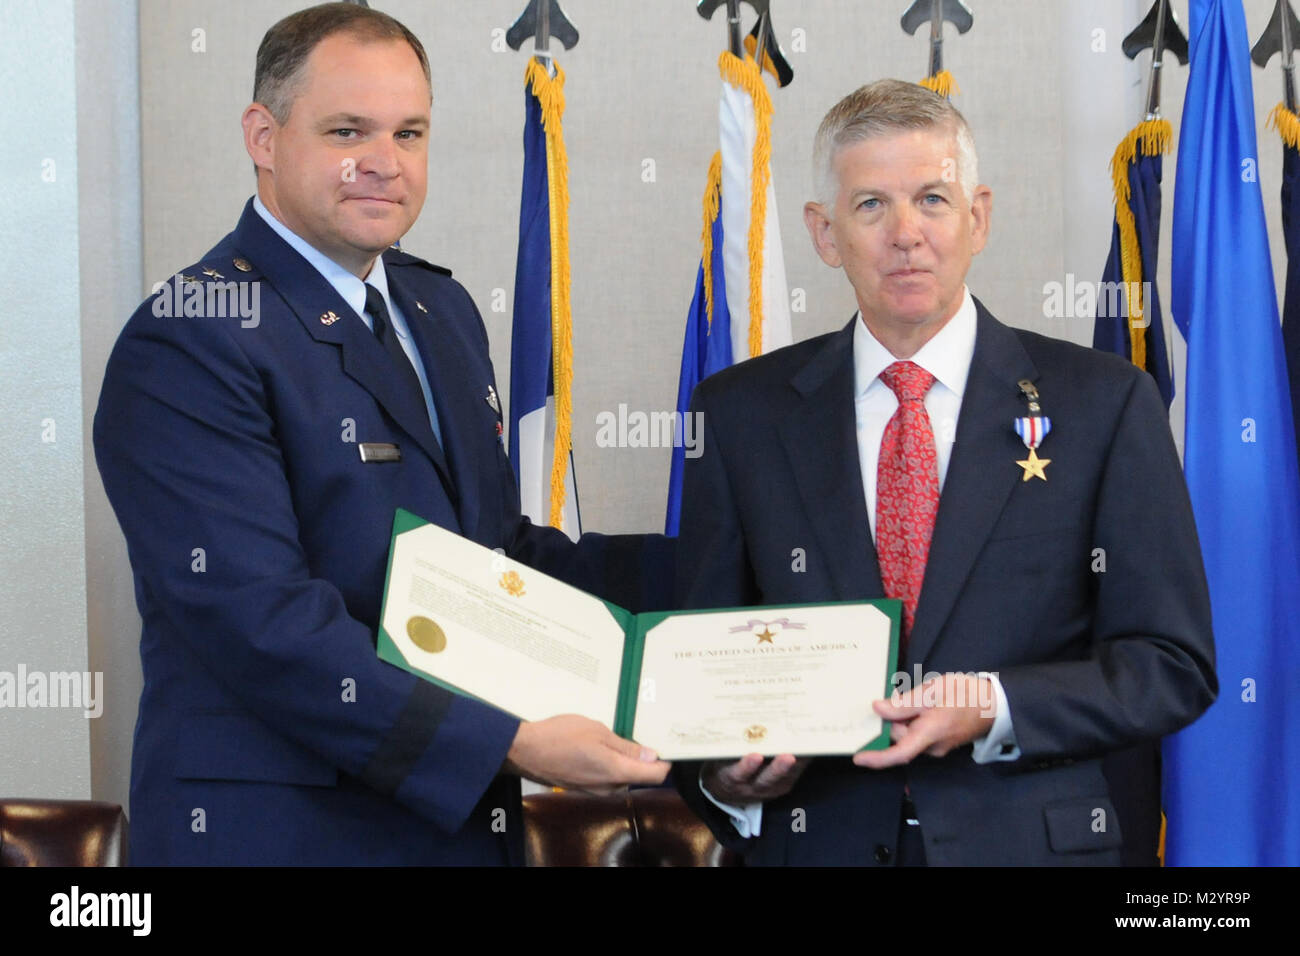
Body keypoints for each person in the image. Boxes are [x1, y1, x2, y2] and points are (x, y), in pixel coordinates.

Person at [94, 2, 670, 866]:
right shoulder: (190, 334)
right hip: (283, 838)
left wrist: (722, 564)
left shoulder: (438, 310)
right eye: (346, 130)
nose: (384, 163)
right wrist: (508, 740)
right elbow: (263, 621)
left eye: (409, 133)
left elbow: (496, 561)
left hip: (454, 830)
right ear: (263, 134)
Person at [672, 79, 1216, 866]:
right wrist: (726, 775)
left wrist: (990, 706)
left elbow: (1172, 665)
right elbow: (705, 660)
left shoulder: (1105, 404)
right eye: (870, 206)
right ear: (824, 234)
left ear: (978, 217)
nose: (905, 234)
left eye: (932, 198)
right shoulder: (739, 415)